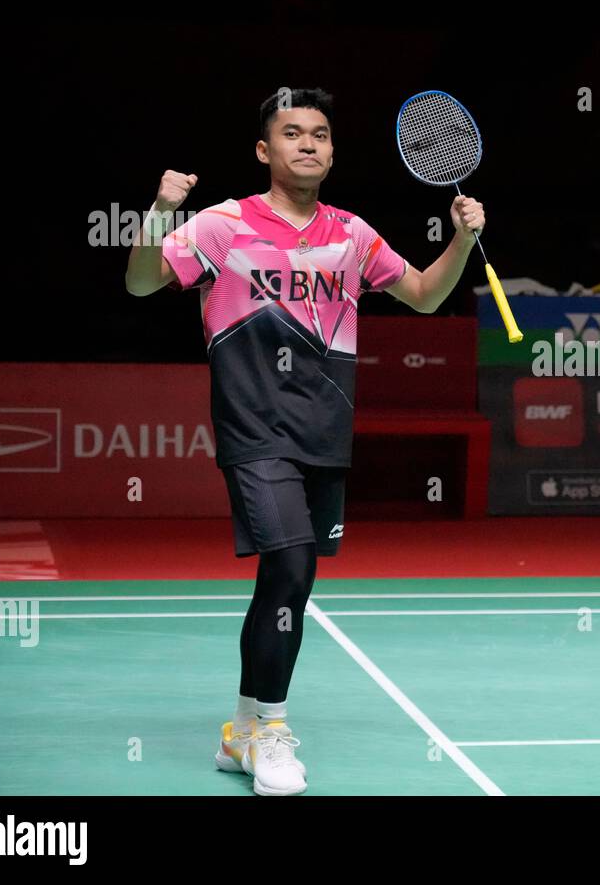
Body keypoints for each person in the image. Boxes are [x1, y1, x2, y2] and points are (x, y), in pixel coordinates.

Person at [124, 88, 486, 794]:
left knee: (287, 581)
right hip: (254, 428)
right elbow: (142, 283)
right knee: (289, 566)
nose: (309, 144)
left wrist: (464, 239)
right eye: (292, 133)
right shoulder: (224, 224)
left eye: (320, 133)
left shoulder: (352, 232)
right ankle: (273, 732)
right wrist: (158, 215)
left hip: (325, 430)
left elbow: (423, 294)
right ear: (266, 150)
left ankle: (240, 729)